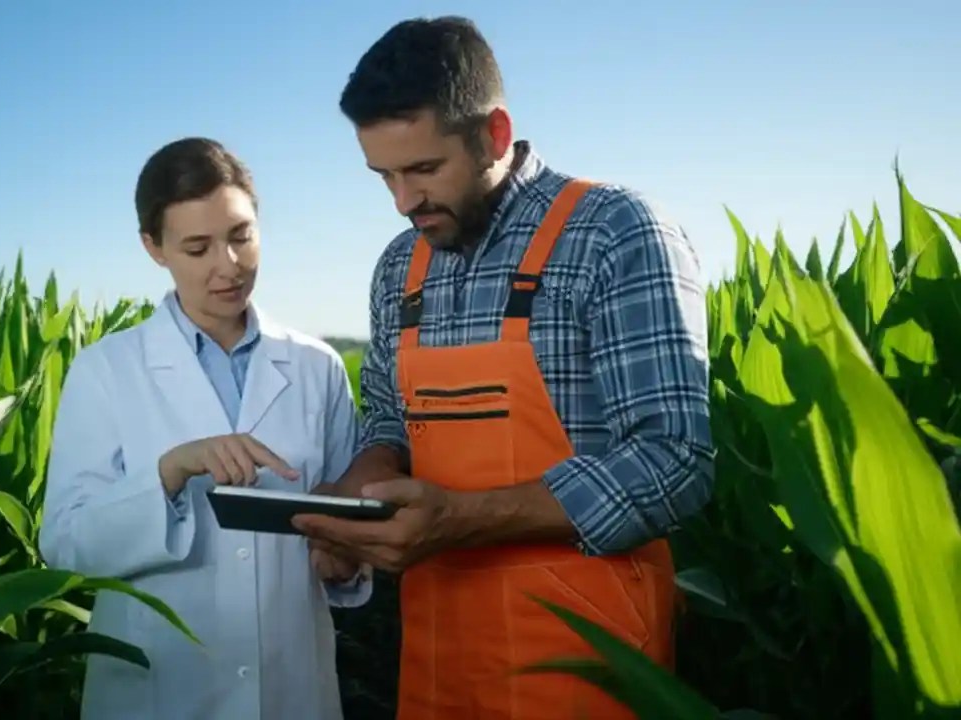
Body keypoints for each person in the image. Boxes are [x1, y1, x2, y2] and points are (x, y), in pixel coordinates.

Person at [292, 16, 715, 720]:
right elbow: (392, 421)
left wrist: (464, 518)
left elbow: (675, 460)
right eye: (384, 176)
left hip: (589, 654)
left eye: (425, 170)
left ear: (493, 132)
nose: (404, 201)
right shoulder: (400, 266)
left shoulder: (616, 232)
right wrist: (352, 501)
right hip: (439, 652)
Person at [38, 136, 370, 720]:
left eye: (241, 235)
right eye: (197, 247)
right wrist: (169, 471)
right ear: (153, 248)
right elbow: (67, 546)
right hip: (156, 693)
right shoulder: (105, 372)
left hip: (291, 690)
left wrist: (344, 556)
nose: (229, 266)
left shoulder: (317, 368)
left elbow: (343, 526)